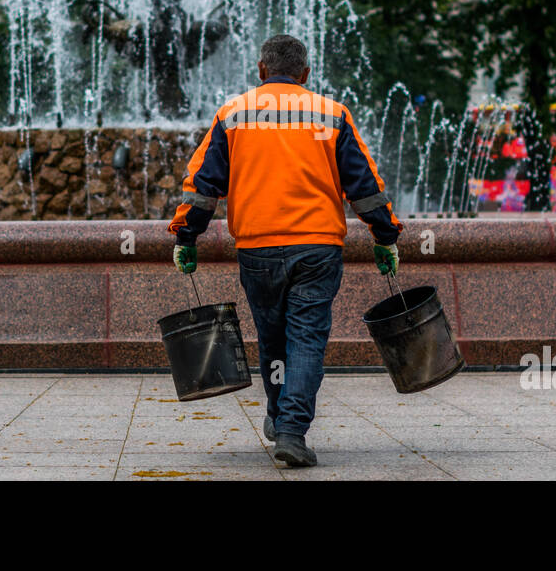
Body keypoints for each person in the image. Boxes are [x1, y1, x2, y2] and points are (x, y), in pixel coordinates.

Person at [167, 34, 403, 467]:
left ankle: (280, 417)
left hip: (258, 248)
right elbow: (365, 186)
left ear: (261, 70)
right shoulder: (332, 114)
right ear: (305, 74)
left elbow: (202, 185)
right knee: (307, 340)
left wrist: (187, 235)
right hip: (317, 248)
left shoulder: (233, 114)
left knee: (272, 338)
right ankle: (290, 428)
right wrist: (384, 235)